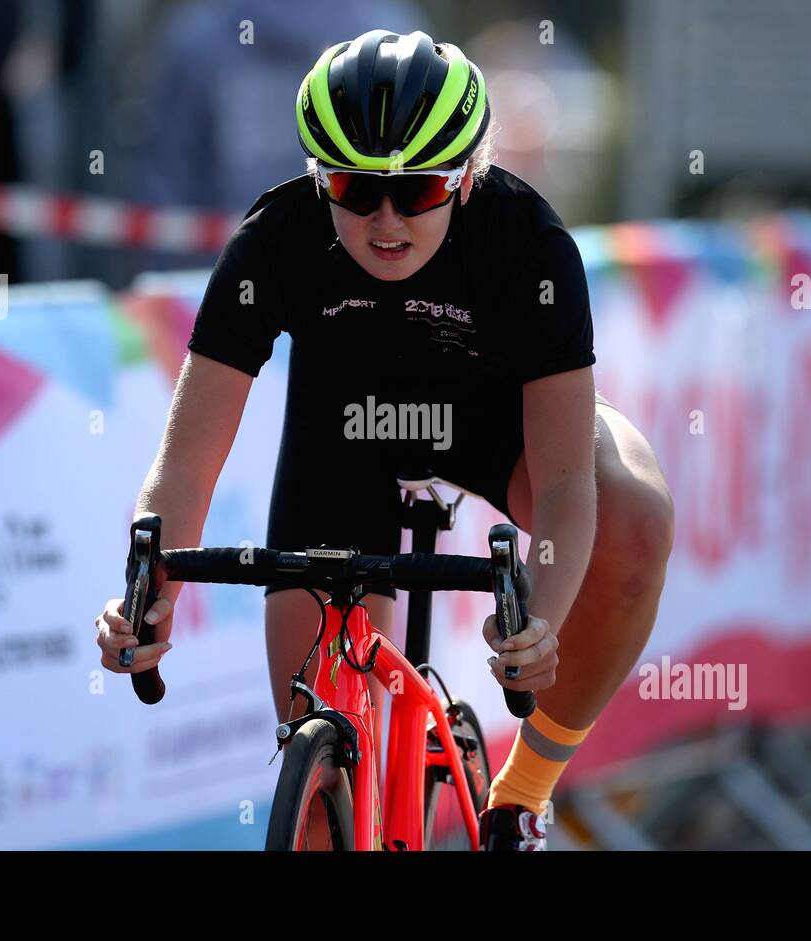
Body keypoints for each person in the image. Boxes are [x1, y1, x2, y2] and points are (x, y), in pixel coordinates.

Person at [96, 29, 675, 851]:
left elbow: (563, 486)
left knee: (633, 510)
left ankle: (525, 793)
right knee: (323, 782)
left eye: (422, 191)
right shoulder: (276, 239)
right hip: (346, 438)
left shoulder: (529, 241)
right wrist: (148, 593)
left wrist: (538, 627)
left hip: (492, 426)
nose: (387, 218)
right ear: (316, 177)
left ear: (468, 179)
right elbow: (186, 463)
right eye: (355, 188)